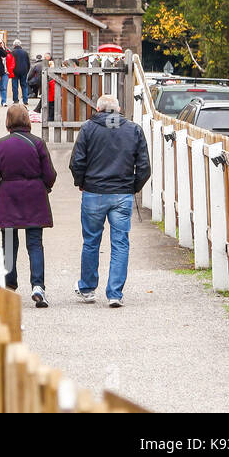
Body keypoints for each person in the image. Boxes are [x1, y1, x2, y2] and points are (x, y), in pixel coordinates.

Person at [69, 93, 151, 307]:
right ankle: (115, 293)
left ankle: (87, 288)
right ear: (118, 110)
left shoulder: (88, 128)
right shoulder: (133, 130)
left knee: (91, 241)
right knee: (120, 243)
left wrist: (81, 182)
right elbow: (144, 167)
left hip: (94, 192)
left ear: (98, 110)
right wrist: (132, 187)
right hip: (121, 194)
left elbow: (77, 162)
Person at [0, 103, 55, 306]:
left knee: (8, 244)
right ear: (27, 120)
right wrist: (44, 188)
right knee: (35, 243)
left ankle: (9, 285)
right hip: (34, 197)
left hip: (8, 197)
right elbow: (50, 174)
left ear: (8, 121)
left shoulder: (0, 144)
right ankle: (38, 286)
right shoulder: (38, 143)